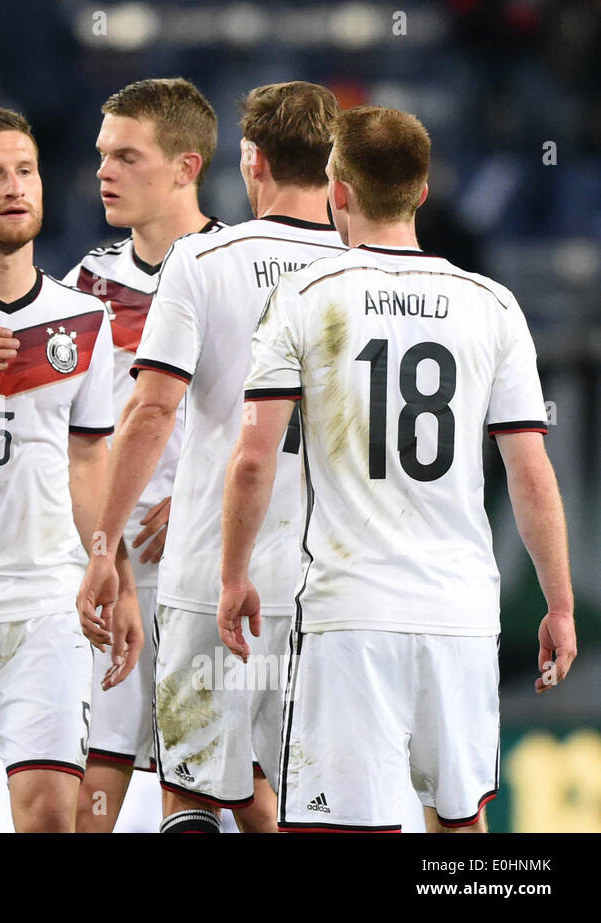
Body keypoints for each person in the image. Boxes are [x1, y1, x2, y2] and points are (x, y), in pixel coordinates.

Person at [219, 105, 576, 833]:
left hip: (350, 612)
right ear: (420, 192)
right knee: (459, 828)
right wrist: (560, 605)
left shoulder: (305, 298)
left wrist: (232, 575)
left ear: (336, 190)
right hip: (459, 613)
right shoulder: (492, 306)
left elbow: (255, 458)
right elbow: (532, 472)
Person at [77, 82, 344, 833]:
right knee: (308, 801)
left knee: (191, 792)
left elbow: (152, 410)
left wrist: (106, 541)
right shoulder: (368, 272)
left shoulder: (204, 259)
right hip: (331, 578)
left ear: (248, 159)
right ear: (334, 169)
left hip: (206, 573)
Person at [0, 104, 129, 833]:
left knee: (49, 813)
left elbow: (88, 457)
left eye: (25, 171)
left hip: (47, 600)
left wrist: (115, 571)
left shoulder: (84, 317)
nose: (14, 188)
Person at [62, 77, 223, 832]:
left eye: (127, 156)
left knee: (209, 803)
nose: (105, 171)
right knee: (85, 800)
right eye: (102, 155)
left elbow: (289, 429)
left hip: (210, 572)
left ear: (186, 167)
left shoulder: (238, 271)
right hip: (113, 571)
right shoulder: (87, 284)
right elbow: (62, 432)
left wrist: (198, 496)